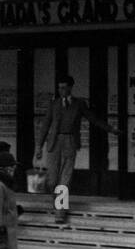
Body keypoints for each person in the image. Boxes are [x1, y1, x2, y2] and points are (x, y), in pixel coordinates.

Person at [34, 73, 114, 222]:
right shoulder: (54, 104)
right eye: (59, 88)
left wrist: (111, 129)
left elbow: (93, 119)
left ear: (70, 88)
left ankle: (60, 212)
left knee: (65, 179)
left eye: (64, 88)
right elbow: (45, 126)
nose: (61, 90)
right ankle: (58, 203)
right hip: (54, 143)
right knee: (52, 180)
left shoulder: (79, 104)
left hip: (70, 141)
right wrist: (38, 147)